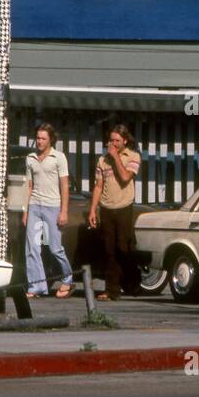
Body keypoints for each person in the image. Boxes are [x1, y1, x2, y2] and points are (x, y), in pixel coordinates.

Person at [89, 124, 141, 300]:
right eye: (111, 140)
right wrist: (92, 210)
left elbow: (126, 177)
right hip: (107, 207)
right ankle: (112, 290)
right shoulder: (102, 160)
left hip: (124, 207)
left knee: (123, 248)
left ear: (125, 141)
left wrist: (116, 158)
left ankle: (133, 281)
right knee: (109, 250)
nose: (113, 144)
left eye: (117, 140)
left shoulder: (133, 156)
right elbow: (98, 186)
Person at [23, 123, 75, 298]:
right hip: (34, 206)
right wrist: (25, 211)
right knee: (32, 247)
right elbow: (28, 187)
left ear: (50, 139)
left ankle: (68, 279)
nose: (39, 141)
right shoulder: (30, 158)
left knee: (55, 248)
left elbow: (64, 186)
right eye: (37, 138)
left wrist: (64, 211)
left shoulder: (58, 157)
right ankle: (36, 286)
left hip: (53, 206)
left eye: (43, 138)